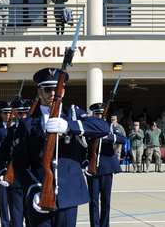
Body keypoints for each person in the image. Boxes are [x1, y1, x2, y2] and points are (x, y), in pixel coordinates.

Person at [11, 67, 109, 227]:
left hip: (68, 193)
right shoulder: (27, 124)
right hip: (40, 194)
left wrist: (69, 125)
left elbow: (103, 127)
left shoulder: (72, 114)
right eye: (47, 89)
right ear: (39, 91)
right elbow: (20, 164)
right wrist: (33, 189)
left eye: (56, 89)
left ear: (62, 91)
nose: (52, 93)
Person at [85, 103, 125, 227]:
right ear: (93, 114)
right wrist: (85, 163)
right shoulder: (87, 128)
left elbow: (122, 139)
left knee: (106, 201)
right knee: (93, 201)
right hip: (92, 169)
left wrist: (109, 137)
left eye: (101, 114)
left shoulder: (109, 127)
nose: (99, 116)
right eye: (97, 113)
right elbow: (81, 149)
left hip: (107, 168)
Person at [0, 101, 19, 227]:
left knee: (17, 203)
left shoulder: (19, 129)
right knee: (3, 202)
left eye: (10, 112)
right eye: (5, 113)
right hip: (2, 169)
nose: (8, 115)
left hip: (17, 170)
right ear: (1, 114)